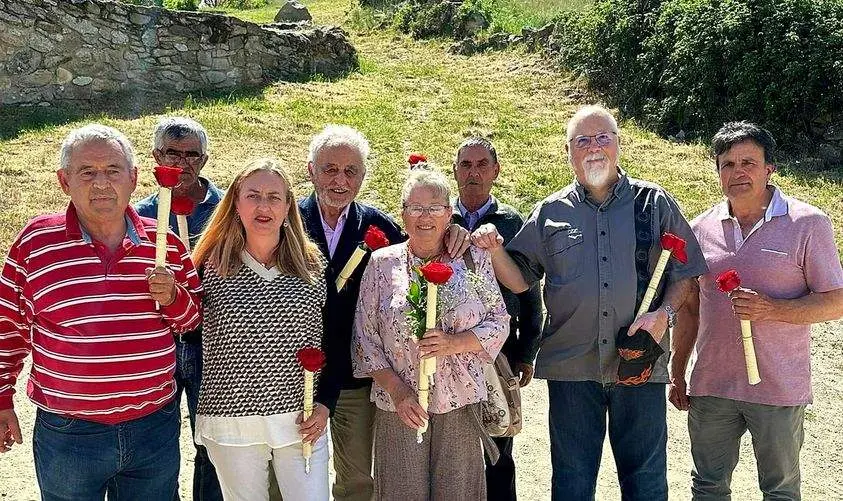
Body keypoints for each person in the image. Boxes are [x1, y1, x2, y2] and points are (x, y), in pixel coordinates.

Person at [472, 105, 708, 501]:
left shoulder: (654, 203)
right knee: (571, 482)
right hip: (572, 370)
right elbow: (519, 278)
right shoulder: (549, 212)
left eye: (603, 137)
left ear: (618, 145)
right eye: (583, 140)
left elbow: (684, 273)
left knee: (645, 481)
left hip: (640, 365)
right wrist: (496, 251)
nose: (594, 147)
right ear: (569, 152)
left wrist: (664, 314)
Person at [0, 124, 202, 500]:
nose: (101, 184)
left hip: (152, 427)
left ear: (134, 178)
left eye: (112, 171)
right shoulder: (35, 244)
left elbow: (191, 322)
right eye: (86, 172)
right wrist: (1, 399)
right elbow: (7, 329)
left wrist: (173, 297)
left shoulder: (165, 244)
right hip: (69, 433)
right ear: (64, 181)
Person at [669, 121, 843, 501]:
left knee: (779, 490)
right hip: (712, 386)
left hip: (779, 388)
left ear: (770, 169)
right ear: (717, 172)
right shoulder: (699, 229)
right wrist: (679, 371)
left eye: (749, 162)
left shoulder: (808, 224)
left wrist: (771, 309)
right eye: (727, 164)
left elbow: (835, 301)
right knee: (708, 487)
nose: (738, 172)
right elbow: (690, 310)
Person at [298, 125, 470, 501]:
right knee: (291, 475)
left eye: (351, 171)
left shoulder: (380, 228)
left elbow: (423, 244)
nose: (340, 180)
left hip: (356, 377)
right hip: (291, 372)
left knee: (358, 479)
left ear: (362, 176)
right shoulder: (286, 221)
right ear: (310, 169)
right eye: (329, 169)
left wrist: (460, 232)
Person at [353, 167, 510, 500]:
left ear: (448, 213)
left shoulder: (472, 260)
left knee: (459, 494)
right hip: (400, 407)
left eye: (435, 207)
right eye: (415, 207)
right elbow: (365, 340)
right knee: (400, 493)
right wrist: (398, 393)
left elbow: (499, 321)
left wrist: (452, 343)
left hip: (461, 400)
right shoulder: (382, 263)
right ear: (403, 214)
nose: (425, 217)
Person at [190, 159, 330, 500]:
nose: (263, 206)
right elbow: (185, 326)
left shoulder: (313, 265)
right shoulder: (210, 262)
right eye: (253, 195)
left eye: (273, 197)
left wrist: (325, 402)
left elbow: (334, 339)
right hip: (232, 418)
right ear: (236, 203)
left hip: (301, 417)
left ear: (288, 207)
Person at [135, 116, 225, 501]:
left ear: (204, 160)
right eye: (172, 153)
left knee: (212, 444)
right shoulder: (138, 217)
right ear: (156, 157)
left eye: (192, 156)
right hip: (159, 345)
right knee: (157, 445)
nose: (182, 164)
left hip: (214, 344)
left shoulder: (228, 212)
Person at [450, 136, 543, 501]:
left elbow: (529, 293)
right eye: (466, 165)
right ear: (455, 171)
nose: (474, 173)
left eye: (482, 165)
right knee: (454, 447)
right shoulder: (440, 217)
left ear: (496, 171)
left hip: (498, 351)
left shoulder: (511, 221)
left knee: (498, 445)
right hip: (450, 352)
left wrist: (526, 352)